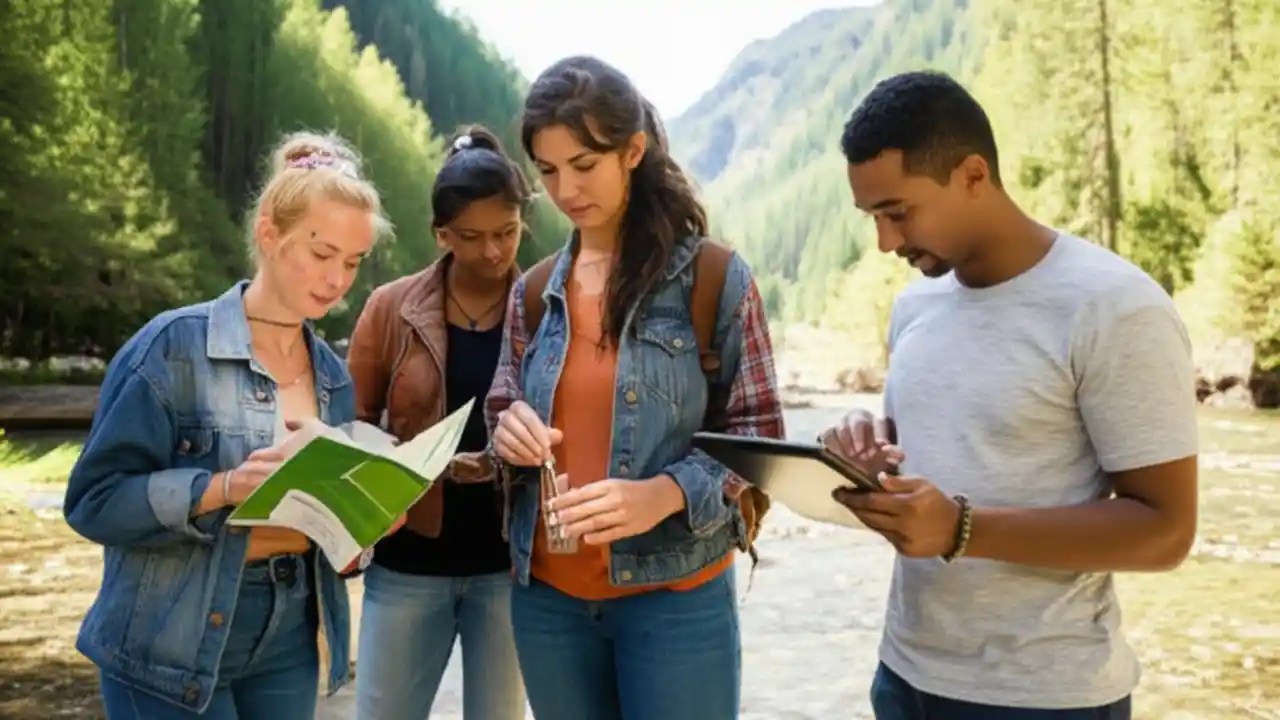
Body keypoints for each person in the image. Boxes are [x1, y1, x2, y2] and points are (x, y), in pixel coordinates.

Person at [822, 70, 1198, 719]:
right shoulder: (914, 306)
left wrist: (961, 529)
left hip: (1045, 697)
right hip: (905, 677)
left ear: (974, 175)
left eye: (898, 213)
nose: (885, 241)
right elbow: (937, 467)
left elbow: (1166, 531)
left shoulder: (1114, 307)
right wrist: (866, 457)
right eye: (873, 217)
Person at [484, 55, 785, 720]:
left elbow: (761, 436)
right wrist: (506, 431)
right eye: (548, 170)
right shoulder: (532, 292)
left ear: (633, 152)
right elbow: (503, 403)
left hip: (675, 600)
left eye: (584, 164)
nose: (566, 189)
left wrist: (664, 494)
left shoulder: (715, 279)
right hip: (548, 601)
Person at [63, 131, 390, 719]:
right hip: (169, 640)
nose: (338, 280)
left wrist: (366, 524)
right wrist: (223, 488)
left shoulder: (333, 377)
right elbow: (94, 502)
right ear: (268, 233)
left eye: (352, 261)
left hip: (289, 637)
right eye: (322, 254)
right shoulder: (170, 348)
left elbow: (334, 546)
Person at [346, 125, 529, 720]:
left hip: (510, 566)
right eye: (472, 237)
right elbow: (349, 425)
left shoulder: (546, 308)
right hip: (408, 562)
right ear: (441, 234)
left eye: (507, 232)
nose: (494, 251)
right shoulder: (390, 308)